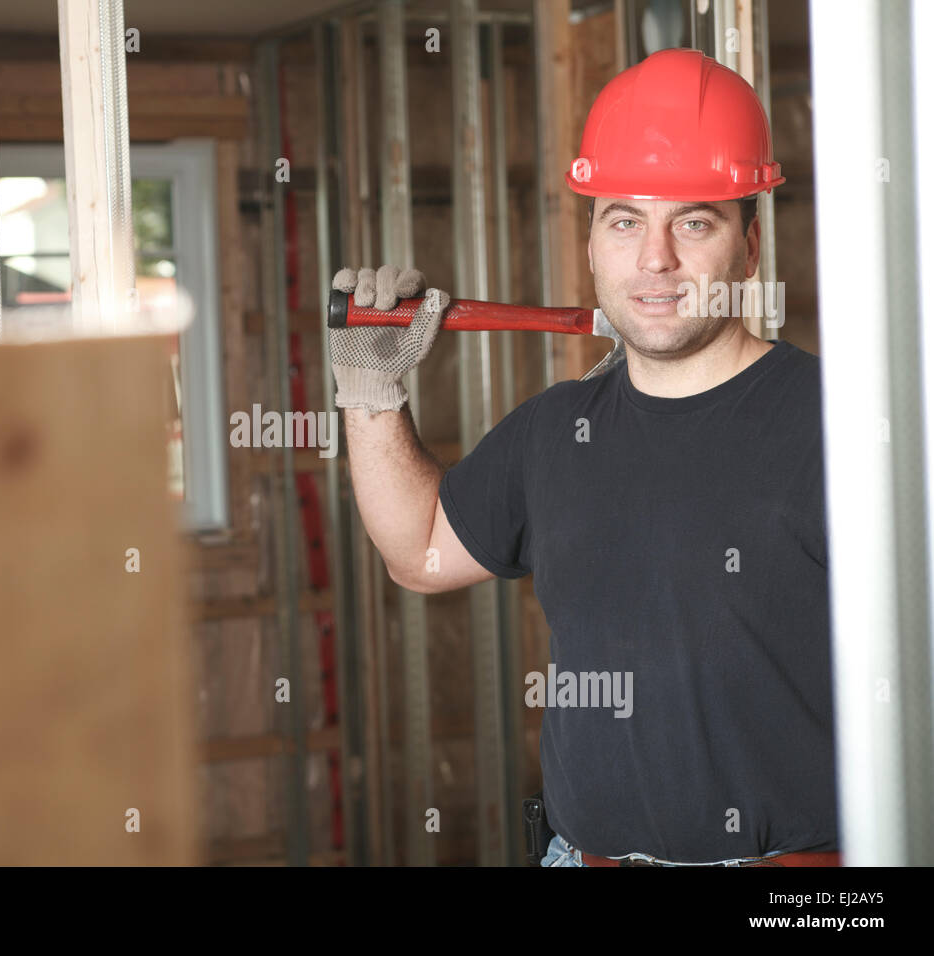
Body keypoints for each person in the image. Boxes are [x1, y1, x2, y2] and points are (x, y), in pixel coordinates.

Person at [328, 48, 838, 867]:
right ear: (594, 245)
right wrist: (368, 391)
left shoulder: (843, 429)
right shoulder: (555, 431)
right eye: (625, 219)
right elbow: (419, 551)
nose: (655, 258)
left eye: (694, 220)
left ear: (748, 246)